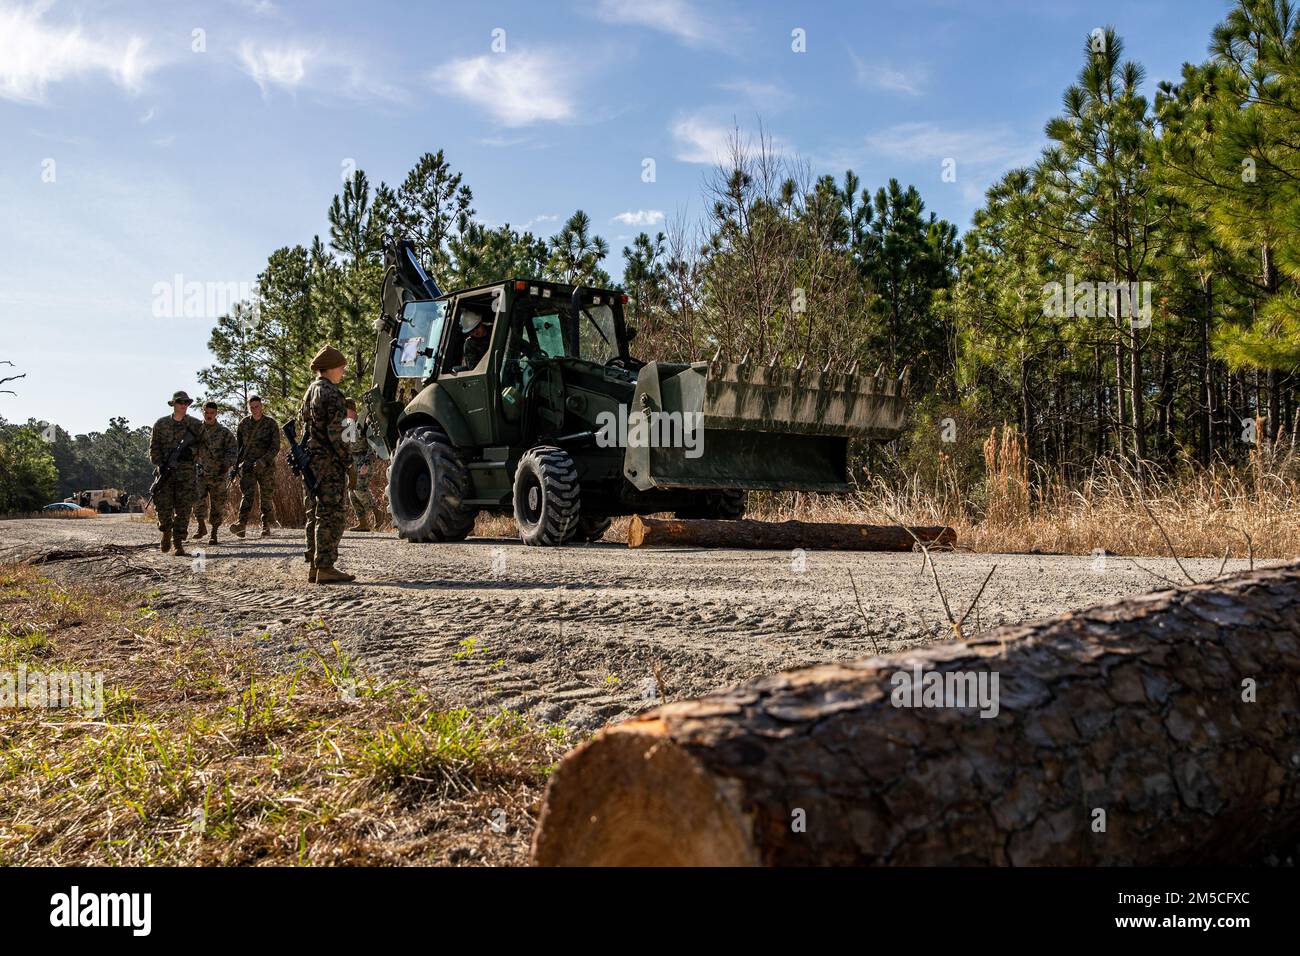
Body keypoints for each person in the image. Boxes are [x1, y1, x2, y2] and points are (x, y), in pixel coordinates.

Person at [298, 346, 354, 584]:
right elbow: (336, 434)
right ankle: (326, 566)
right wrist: (348, 462)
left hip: (310, 462)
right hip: (329, 464)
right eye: (341, 367)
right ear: (331, 368)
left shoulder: (310, 391)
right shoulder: (332, 394)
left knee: (315, 513)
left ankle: (314, 565)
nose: (342, 371)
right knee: (331, 514)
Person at [149, 390, 205, 556]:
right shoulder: (161, 424)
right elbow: (154, 448)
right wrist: (160, 464)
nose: (183, 405)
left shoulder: (195, 425)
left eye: (186, 402)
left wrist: (192, 452)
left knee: (184, 509)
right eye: (180, 402)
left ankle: (178, 542)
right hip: (165, 473)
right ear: (173, 404)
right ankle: (166, 531)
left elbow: (204, 446)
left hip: (186, 474)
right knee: (163, 508)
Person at [230, 395, 280, 538]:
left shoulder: (271, 424)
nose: (254, 409)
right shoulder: (243, 424)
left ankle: (266, 526)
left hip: (266, 467)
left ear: (261, 406)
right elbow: (239, 448)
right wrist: (235, 467)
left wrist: (263, 460)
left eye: (257, 406)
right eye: (251, 407)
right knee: (247, 496)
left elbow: (275, 446)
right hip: (248, 466)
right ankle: (241, 525)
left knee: (266, 496)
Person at [193, 401, 237, 544]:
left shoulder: (224, 432)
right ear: (203, 412)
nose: (209, 415)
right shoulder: (196, 430)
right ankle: (201, 526)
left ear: (216, 413)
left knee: (218, 504)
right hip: (200, 473)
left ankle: (214, 533)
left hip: (218, 474)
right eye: (207, 412)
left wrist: (227, 464)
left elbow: (233, 450)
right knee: (197, 500)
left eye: (212, 413)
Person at [344, 398, 385, 532]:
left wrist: (367, 462)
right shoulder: (346, 425)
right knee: (351, 492)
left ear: (351, 409)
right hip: (353, 462)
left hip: (364, 460)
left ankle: (377, 513)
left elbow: (373, 445)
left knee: (360, 489)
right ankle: (363, 523)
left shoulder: (364, 422)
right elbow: (345, 446)